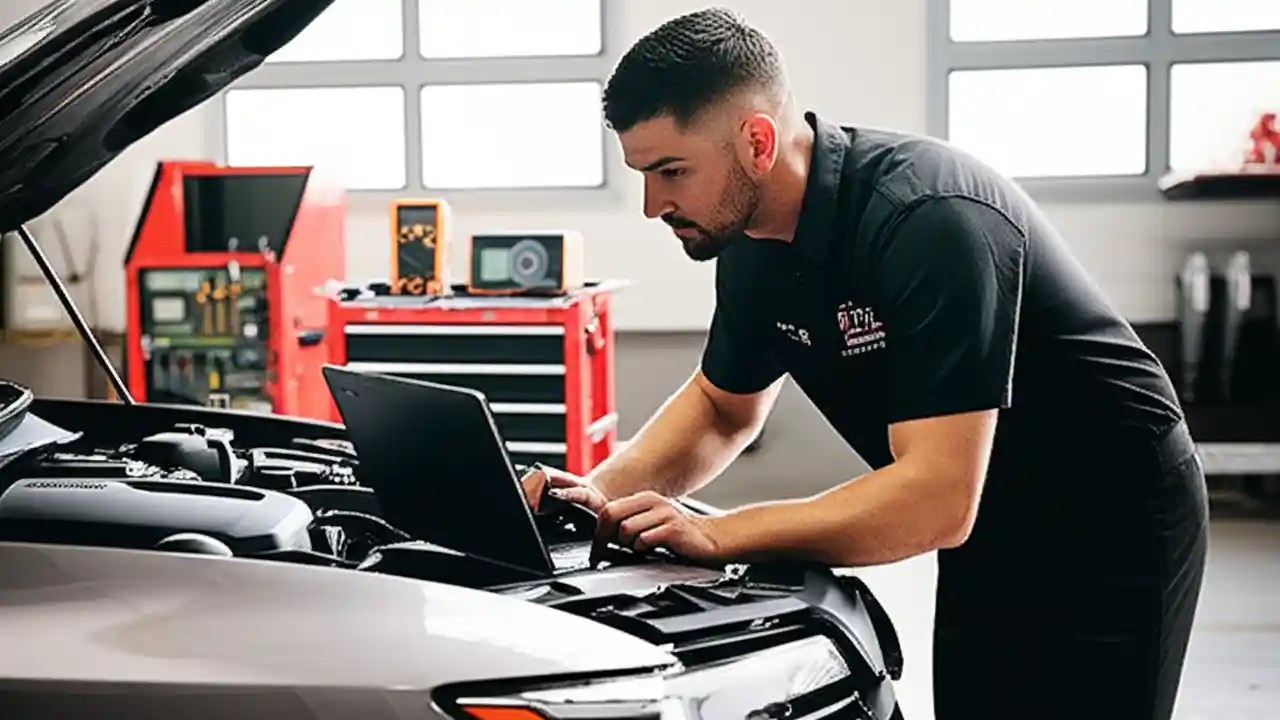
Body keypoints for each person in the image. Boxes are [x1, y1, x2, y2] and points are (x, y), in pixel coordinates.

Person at [521, 7, 1209, 720]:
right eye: (643, 173)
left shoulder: (929, 218)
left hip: (1112, 509)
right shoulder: (751, 241)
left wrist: (719, 534)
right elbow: (722, 407)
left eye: (672, 171)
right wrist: (592, 496)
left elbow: (937, 498)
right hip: (988, 513)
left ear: (757, 141)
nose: (651, 204)